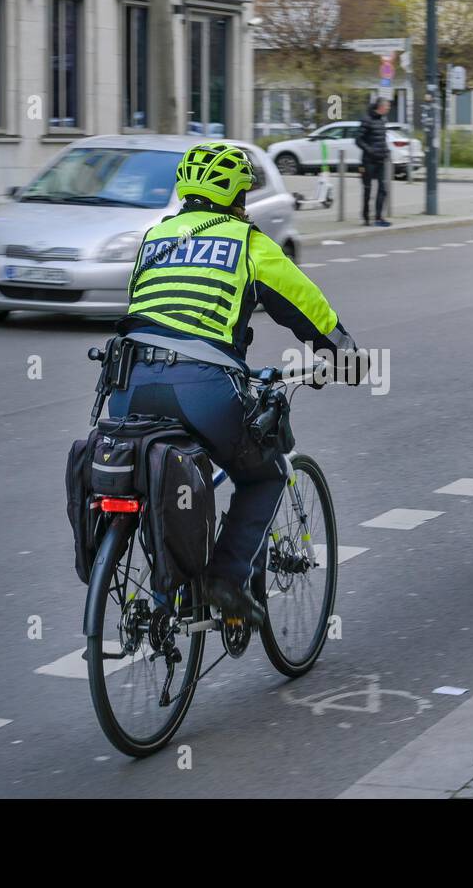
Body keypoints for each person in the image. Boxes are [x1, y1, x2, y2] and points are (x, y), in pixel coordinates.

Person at [109, 142, 356, 625]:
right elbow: (305, 306)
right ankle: (224, 579)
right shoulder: (247, 243)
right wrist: (344, 355)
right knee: (264, 474)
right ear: (237, 198)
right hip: (201, 389)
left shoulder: (155, 237)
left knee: (158, 476)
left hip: (128, 385)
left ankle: (165, 592)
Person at [355, 97, 391, 227]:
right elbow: (358, 140)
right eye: (387, 106)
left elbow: (382, 139)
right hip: (368, 161)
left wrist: (386, 151)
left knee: (383, 189)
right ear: (380, 107)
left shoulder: (382, 120)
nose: (388, 108)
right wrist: (370, 151)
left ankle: (378, 217)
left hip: (380, 160)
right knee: (368, 189)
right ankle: (366, 217)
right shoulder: (367, 120)